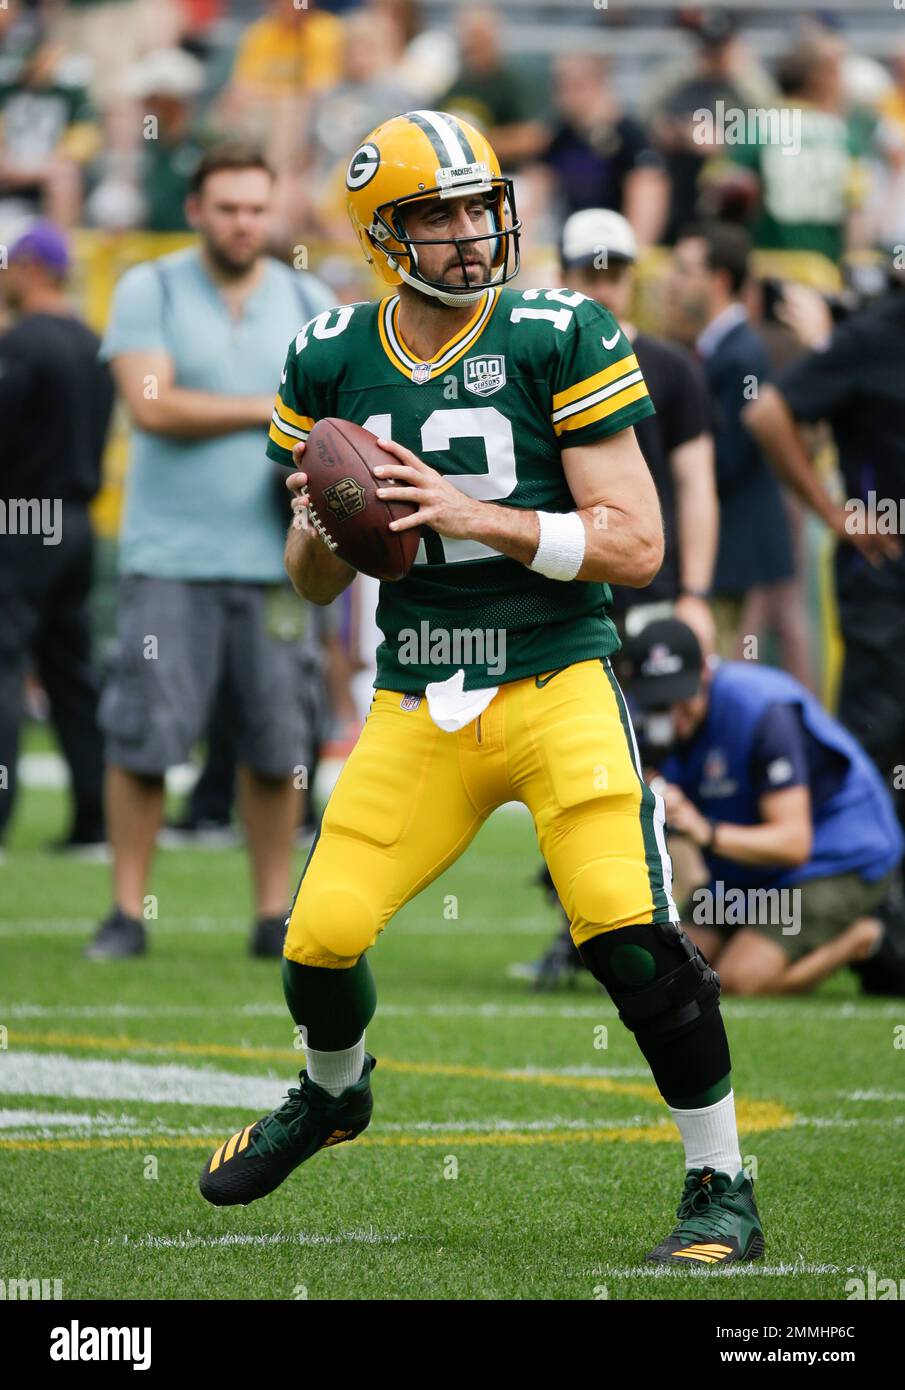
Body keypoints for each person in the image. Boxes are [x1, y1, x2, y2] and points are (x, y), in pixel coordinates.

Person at [199, 110, 766, 1269]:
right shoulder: (328, 353)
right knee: (317, 942)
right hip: (418, 692)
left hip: (555, 675)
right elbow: (310, 583)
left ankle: (721, 1183)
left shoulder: (563, 328)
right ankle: (334, 1093)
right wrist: (328, 526)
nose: (468, 233)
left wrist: (472, 516)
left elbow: (635, 547)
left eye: (478, 206)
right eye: (436, 215)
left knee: (627, 938)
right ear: (379, 233)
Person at [90, 143, 334, 961]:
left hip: (280, 559)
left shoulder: (304, 295)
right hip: (170, 557)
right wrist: (275, 409)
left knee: (276, 746)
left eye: (257, 209)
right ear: (195, 210)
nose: (243, 224)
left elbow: (332, 428)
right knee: (146, 739)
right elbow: (151, 405)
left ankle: (272, 916)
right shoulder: (148, 286)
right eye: (227, 208)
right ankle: (128, 909)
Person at [622, 619, 905, 997]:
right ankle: (753, 928)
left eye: (679, 696)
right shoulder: (646, 720)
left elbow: (793, 842)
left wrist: (705, 831)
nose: (672, 714)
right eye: (659, 700)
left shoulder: (761, 712)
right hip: (751, 871)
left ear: (706, 671)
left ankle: (860, 938)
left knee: (738, 979)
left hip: (836, 859)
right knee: (672, 969)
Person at [742, 286, 905, 831]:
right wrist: (832, 512)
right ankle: (873, 900)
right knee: (878, 738)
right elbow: (768, 414)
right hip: (884, 575)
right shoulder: (873, 334)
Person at [0, 220, 113, 853]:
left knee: (4, 664)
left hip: (21, 517)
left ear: (32, 268)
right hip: (78, 523)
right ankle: (94, 820)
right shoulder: (93, 342)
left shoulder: (23, 344)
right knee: (72, 673)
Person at [667, 223, 806, 678]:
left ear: (719, 280)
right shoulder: (718, 350)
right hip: (733, 547)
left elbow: (729, 456)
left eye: (686, 270)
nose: (673, 280)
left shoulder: (740, 354)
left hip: (736, 550)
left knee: (730, 667)